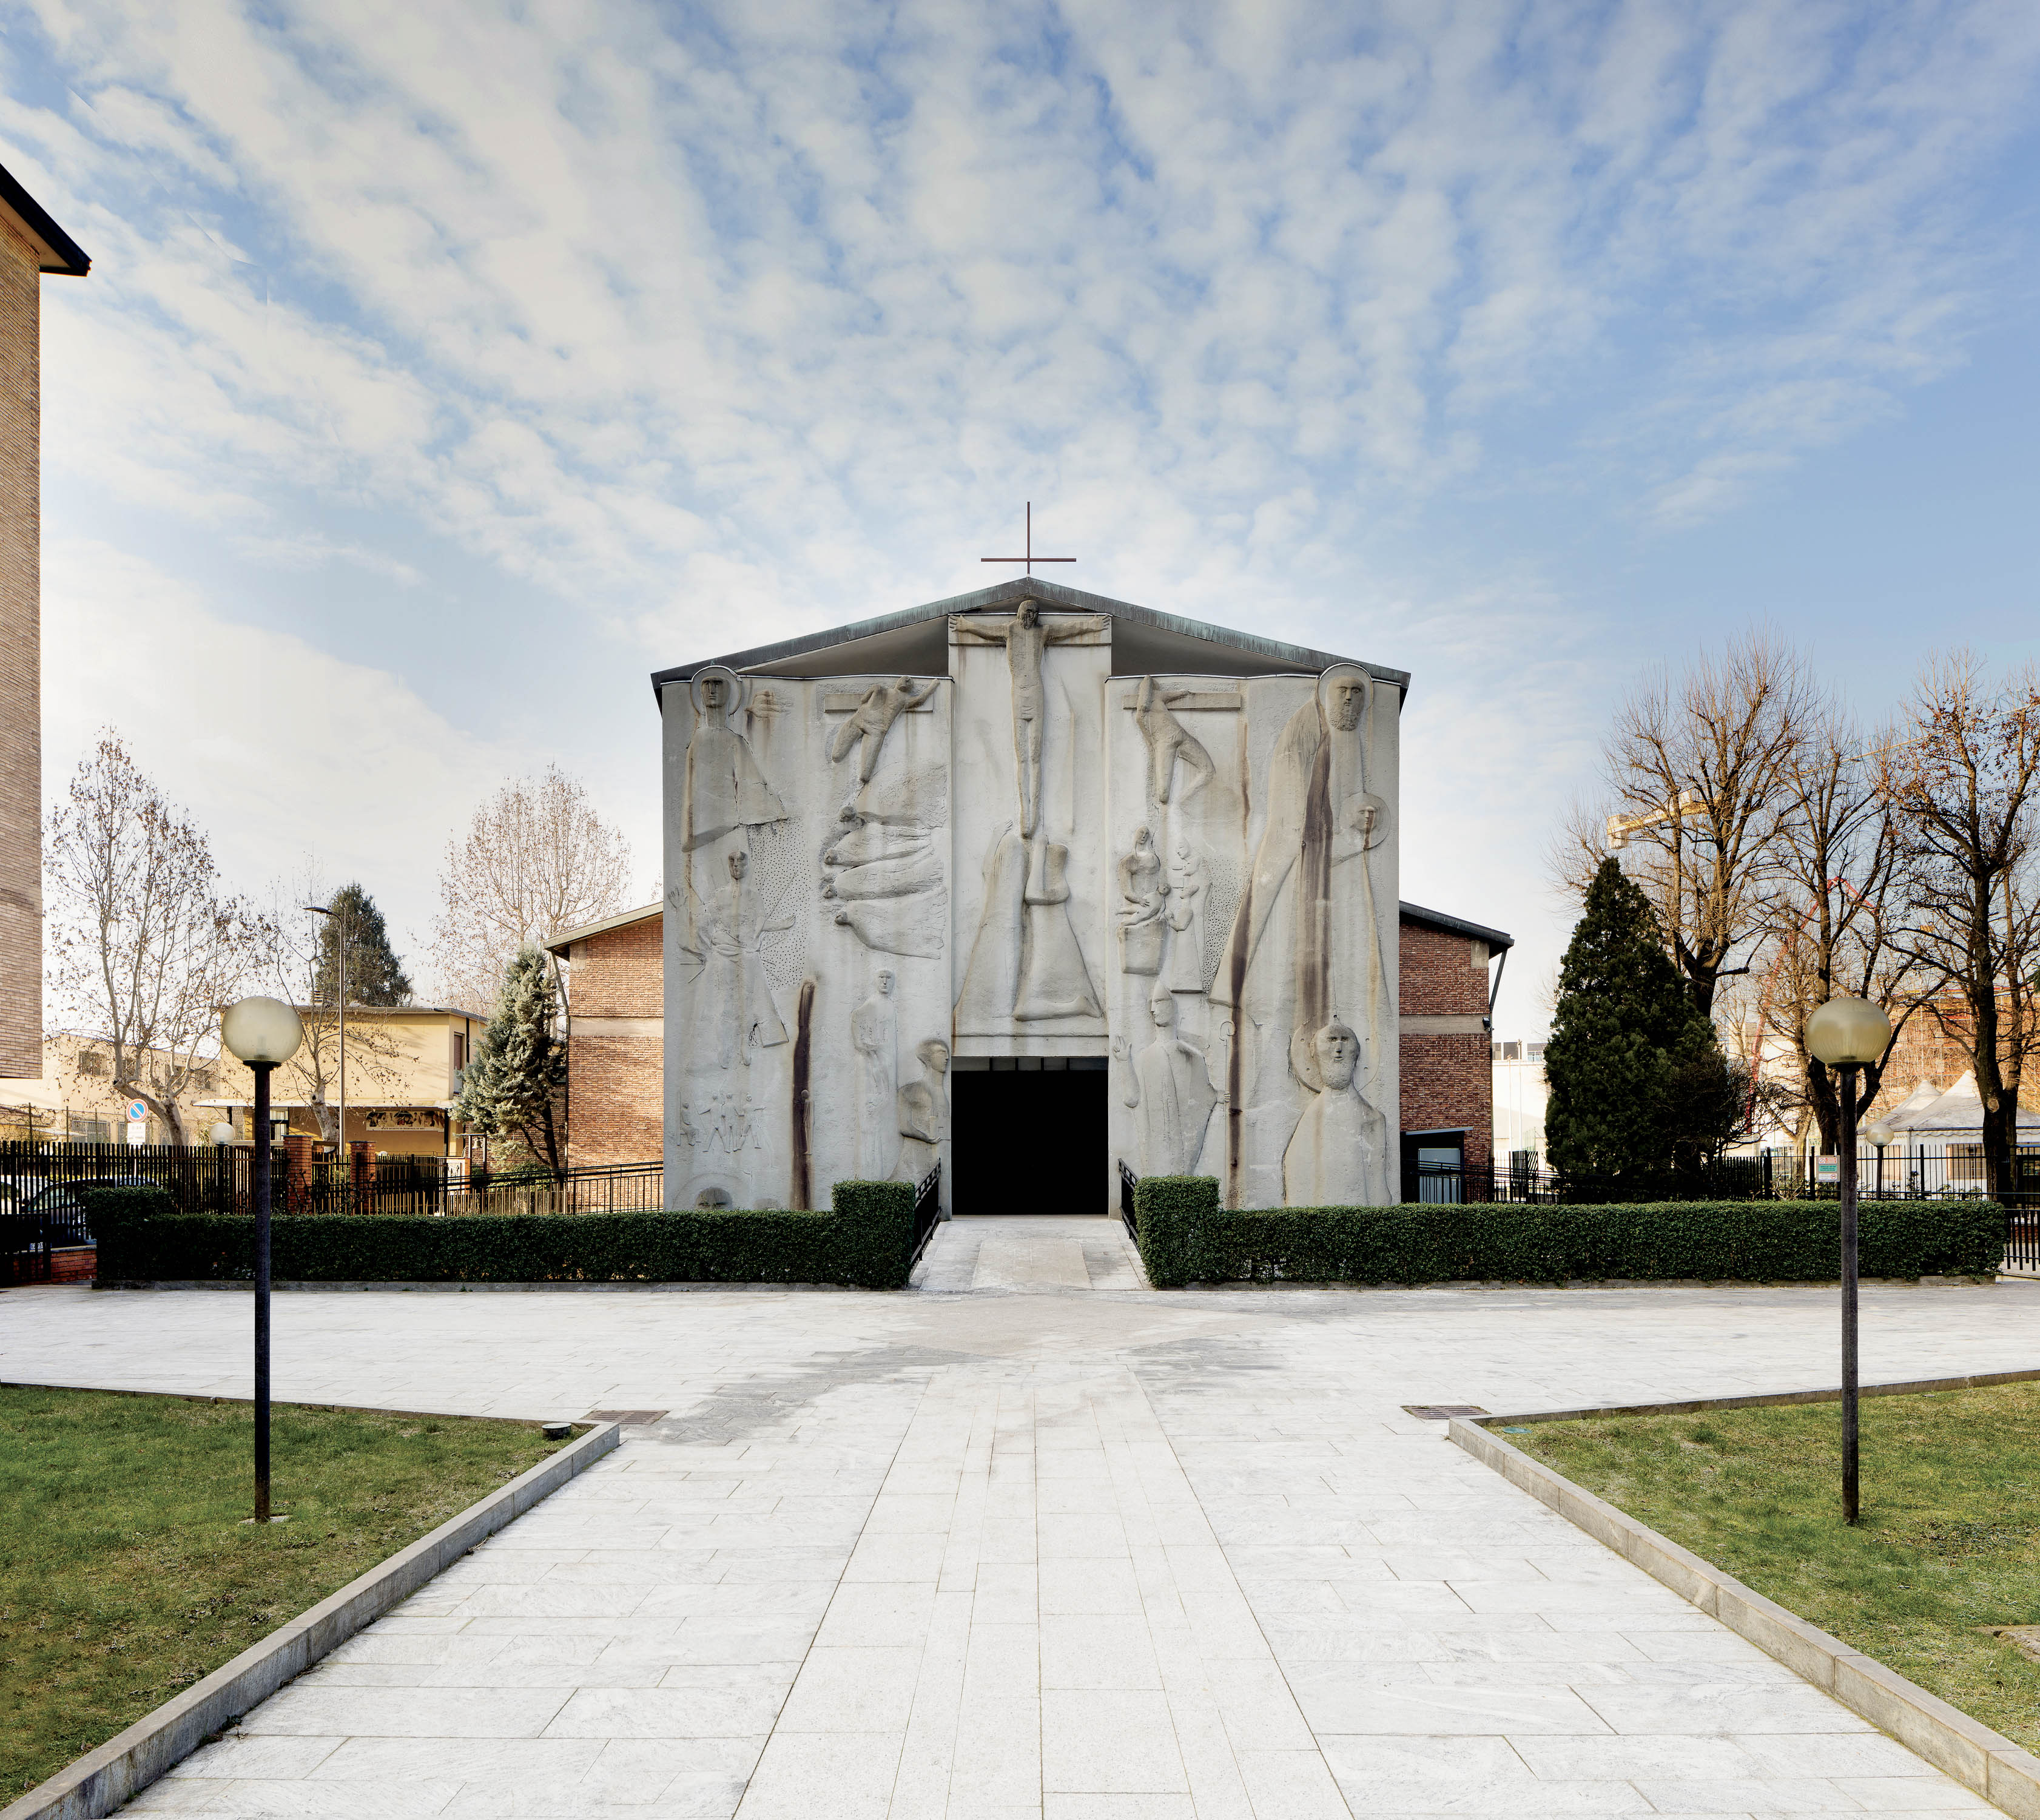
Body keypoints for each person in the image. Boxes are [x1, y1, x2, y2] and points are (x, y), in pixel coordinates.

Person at [951, 602, 1108, 836]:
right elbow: (985, 631)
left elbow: (1069, 630)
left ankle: (1034, 814)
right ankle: (1026, 811)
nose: (1031, 617)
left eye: (1034, 614)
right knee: (1021, 756)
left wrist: (1092, 625)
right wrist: (965, 625)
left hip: (1036, 693)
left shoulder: (1042, 633)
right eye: (1028, 612)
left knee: (1035, 756)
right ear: (1020, 613)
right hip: (1019, 694)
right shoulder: (1009, 630)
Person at [1282, 1020, 1390, 1206]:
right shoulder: (1310, 1119)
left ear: (1356, 1053)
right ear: (1314, 1052)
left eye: (1344, 1040)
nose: (1338, 1048)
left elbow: (1379, 1189)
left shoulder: (1373, 1119)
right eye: (1331, 1040)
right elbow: (1296, 1177)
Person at [683, 672, 788, 852]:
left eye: (718, 684)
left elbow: (756, 790)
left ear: (729, 692)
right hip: (708, 829)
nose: (712, 690)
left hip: (732, 829)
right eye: (707, 685)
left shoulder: (736, 741)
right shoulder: (698, 741)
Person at [830, 676, 939, 783]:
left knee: (861, 773)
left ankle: (862, 774)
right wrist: (933, 686)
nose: (907, 680)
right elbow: (920, 699)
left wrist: (933, 686)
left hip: (869, 725)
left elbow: (866, 697)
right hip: (870, 726)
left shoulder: (887, 692)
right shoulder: (888, 692)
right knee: (841, 759)